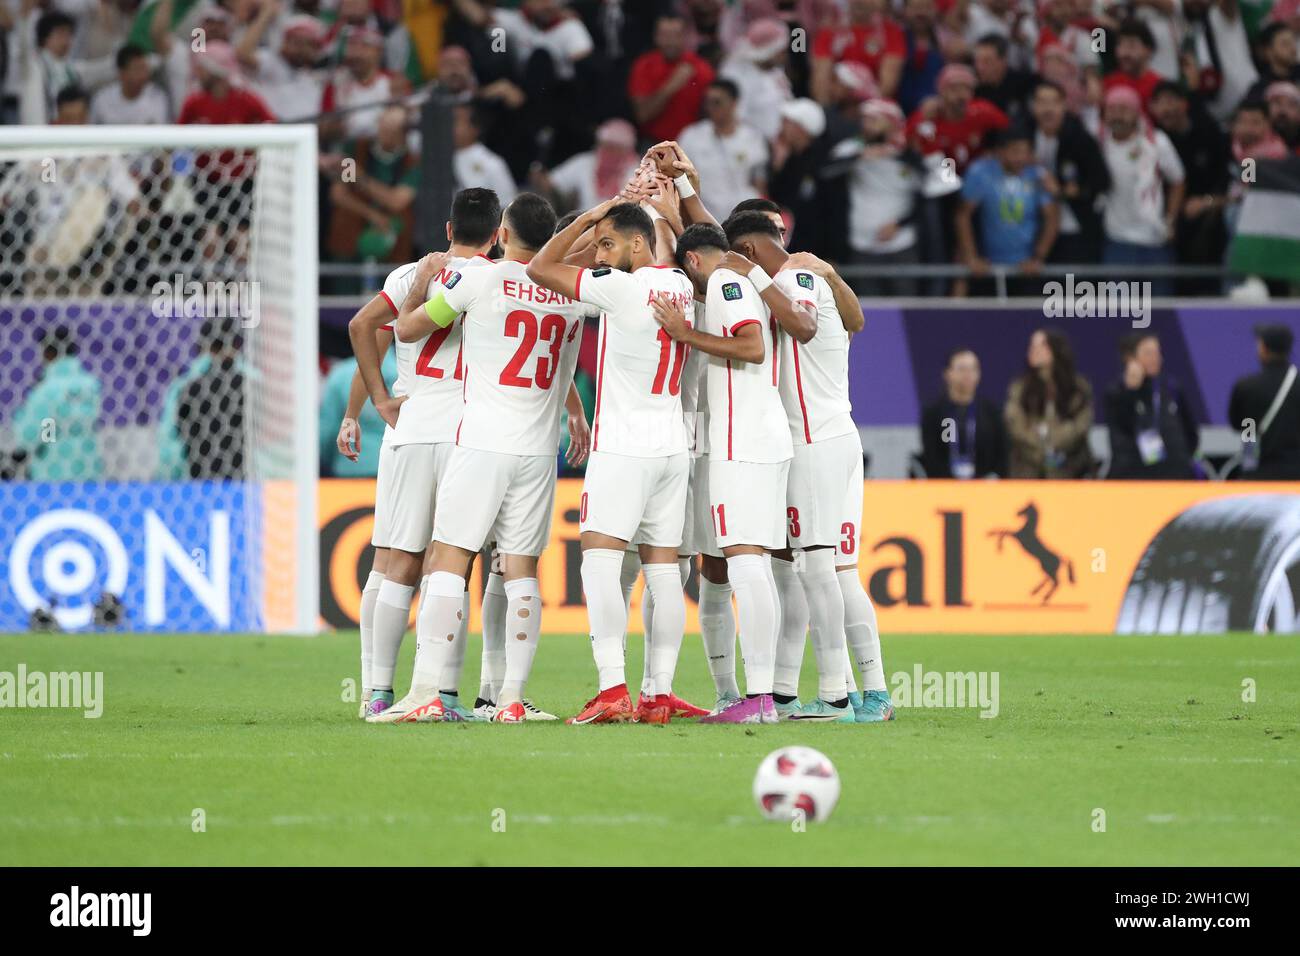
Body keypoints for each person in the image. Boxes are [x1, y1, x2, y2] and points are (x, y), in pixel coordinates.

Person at [393, 193, 596, 725]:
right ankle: (509, 699)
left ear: (502, 234)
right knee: (520, 570)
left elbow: (410, 329)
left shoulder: (480, 279)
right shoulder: (570, 297)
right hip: (538, 451)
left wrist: (419, 291)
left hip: (482, 441)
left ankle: (425, 693)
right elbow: (563, 369)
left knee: (449, 557)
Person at [526, 200, 707, 725]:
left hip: (624, 445)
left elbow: (541, 268)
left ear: (635, 243)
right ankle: (659, 693)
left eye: (607, 244)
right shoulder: (677, 285)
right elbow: (665, 247)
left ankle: (611, 689)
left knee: (601, 564)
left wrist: (587, 218)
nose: (597, 254)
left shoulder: (622, 288)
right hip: (672, 444)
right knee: (664, 570)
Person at [722, 212, 894, 724]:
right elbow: (856, 321)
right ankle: (874, 693)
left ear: (749, 251)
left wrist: (749, 274)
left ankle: (836, 698)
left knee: (817, 570)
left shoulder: (791, 280)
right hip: (840, 437)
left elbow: (800, 324)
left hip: (813, 443)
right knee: (840, 572)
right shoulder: (815, 277)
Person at [358, 188, 502, 725]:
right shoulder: (497, 279)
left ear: (447, 230)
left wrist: (378, 400)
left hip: (412, 426)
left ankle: (377, 691)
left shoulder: (408, 275)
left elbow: (361, 327)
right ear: (496, 235)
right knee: (454, 565)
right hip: (469, 433)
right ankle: (444, 693)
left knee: (396, 563)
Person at [652, 222, 805, 724]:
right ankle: (760, 695)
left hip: (743, 444)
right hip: (761, 440)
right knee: (753, 564)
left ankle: (760, 697)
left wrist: (685, 334)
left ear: (692, 260)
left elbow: (752, 346)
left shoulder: (724, 282)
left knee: (744, 564)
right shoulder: (742, 279)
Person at [1099, 85, 1185, 295]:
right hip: (1117, 239)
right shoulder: (1098, 142)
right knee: (1118, 314)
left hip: (1154, 238)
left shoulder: (1157, 142)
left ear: (1137, 112)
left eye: (1124, 109)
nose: (1118, 115)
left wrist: (1171, 219)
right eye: (1113, 109)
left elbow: (1178, 180)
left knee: (1160, 311)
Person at [955, 126, 1058, 295]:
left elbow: (1052, 217)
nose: (1021, 158)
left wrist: (1038, 257)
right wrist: (971, 257)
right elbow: (962, 215)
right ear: (1000, 152)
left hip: (1026, 268)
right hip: (987, 267)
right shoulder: (980, 172)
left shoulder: (1038, 175)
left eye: (1025, 152)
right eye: (1015, 151)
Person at [1149, 81, 1230, 294]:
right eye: (1159, 104)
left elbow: (1234, 182)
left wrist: (1207, 202)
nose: (1166, 109)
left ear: (1184, 104)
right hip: (1170, 220)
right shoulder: (1153, 139)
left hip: (1209, 217)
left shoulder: (1209, 131)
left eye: (1171, 102)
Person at [324, 105, 421, 266]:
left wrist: (361, 178)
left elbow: (396, 201)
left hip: (391, 243)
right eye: (382, 125)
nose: (384, 133)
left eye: (392, 129)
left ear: (404, 133)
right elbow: (338, 194)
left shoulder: (413, 162)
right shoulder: (355, 149)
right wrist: (372, 215)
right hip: (350, 239)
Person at [1027, 79, 1110, 265]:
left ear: (1064, 105)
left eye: (1054, 102)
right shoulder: (1025, 136)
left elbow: (1101, 181)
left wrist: (1065, 190)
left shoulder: (1080, 139)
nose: (1048, 109)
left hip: (1074, 230)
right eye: (1041, 102)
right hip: (1032, 229)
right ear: (1033, 106)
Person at [1104, 333, 1200, 479]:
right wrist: (1131, 391)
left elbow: (1190, 434)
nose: (1155, 358)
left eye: (1157, 352)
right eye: (1148, 353)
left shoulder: (1171, 389)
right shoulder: (1116, 393)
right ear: (1130, 358)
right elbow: (1122, 427)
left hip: (1176, 477)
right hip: (1134, 479)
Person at [13, 326, 103, 480]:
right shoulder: (91, 384)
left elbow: (34, 431)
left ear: (49, 353)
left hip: (54, 468)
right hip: (89, 464)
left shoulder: (47, 389)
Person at [1005, 328, 1094, 478]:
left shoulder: (1078, 388)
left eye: (1041, 346)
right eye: (1032, 346)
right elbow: (1016, 425)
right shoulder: (1019, 389)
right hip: (1028, 472)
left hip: (1069, 470)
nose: (1034, 350)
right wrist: (1041, 449)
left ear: (1056, 349)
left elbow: (1080, 425)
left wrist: (1053, 444)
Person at [676, 79, 769, 223]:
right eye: (708, 102)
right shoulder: (691, 136)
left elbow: (759, 181)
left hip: (740, 219)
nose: (710, 107)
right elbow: (678, 177)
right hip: (703, 219)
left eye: (717, 102)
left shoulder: (752, 138)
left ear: (734, 103)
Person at [920, 347, 1008, 479]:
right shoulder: (934, 414)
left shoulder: (992, 412)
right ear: (947, 373)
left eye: (973, 369)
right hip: (945, 490)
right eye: (961, 369)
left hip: (986, 489)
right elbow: (932, 456)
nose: (968, 374)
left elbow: (1002, 454)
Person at [627, 14, 715, 143]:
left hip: (694, 142)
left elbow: (711, 113)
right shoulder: (644, 66)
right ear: (656, 37)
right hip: (655, 142)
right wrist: (671, 86)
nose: (671, 41)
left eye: (676, 35)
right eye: (665, 35)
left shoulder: (701, 67)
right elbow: (643, 115)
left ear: (685, 37)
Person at [1228, 324, 1300, 479]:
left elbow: (1244, 427)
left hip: (1261, 475)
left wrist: (1249, 468)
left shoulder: (1247, 387)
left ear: (1264, 349)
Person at [176, 322, 245, 480]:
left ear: (207, 349)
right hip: (243, 484)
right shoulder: (249, 388)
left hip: (201, 483)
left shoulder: (188, 389)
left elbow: (176, 436)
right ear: (237, 346)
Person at [533, 118, 640, 215]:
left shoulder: (638, 171)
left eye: (615, 148)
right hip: (583, 228)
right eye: (605, 145)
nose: (609, 152)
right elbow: (551, 183)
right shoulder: (585, 162)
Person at [810, 0, 906, 103]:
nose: (860, 2)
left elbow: (887, 86)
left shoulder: (891, 32)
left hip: (875, 105)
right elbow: (820, 81)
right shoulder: (830, 30)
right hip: (837, 104)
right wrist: (828, 110)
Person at [451, 103, 518, 203]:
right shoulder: (438, 158)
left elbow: (507, 205)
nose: (450, 126)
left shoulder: (492, 163)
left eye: (456, 121)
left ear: (475, 128)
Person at [89, 44, 169, 124]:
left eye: (145, 68)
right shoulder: (102, 100)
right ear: (122, 74)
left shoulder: (158, 98)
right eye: (138, 69)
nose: (144, 75)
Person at [973, 31, 1038, 124]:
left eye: (987, 61)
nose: (980, 67)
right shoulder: (975, 90)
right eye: (977, 61)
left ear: (1003, 61)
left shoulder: (1026, 84)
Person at [1102, 18, 1164, 110]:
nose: (1124, 53)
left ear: (1148, 50)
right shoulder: (1107, 85)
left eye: (1131, 45)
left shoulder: (1159, 87)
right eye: (1120, 45)